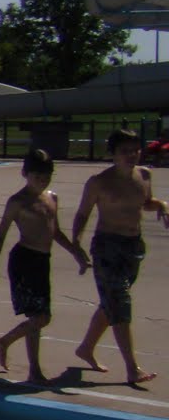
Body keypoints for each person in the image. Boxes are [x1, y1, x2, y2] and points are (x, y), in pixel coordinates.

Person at [71, 129, 169, 385]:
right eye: (124, 151)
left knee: (111, 304)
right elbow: (82, 213)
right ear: (113, 154)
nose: (131, 155)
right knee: (120, 305)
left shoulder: (144, 175)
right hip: (107, 248)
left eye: (135, 150)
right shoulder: (99, 182)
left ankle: (85, 348)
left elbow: (144, 202)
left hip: (133, 247)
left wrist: (161, 205)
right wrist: (76, 243)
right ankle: (132, 368)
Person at [0, 150, 89, 384]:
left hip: (43, 261)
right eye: (37, 176)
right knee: (40, 318)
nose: (42, 181)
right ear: (25, 174)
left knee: (40, 317)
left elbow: (55, 232)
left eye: (47, 176)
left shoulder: (52, 198)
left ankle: (25, 362)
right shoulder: (18, 201)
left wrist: (76, 253)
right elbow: (0, 234)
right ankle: (10, 347)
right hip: (24, 261)